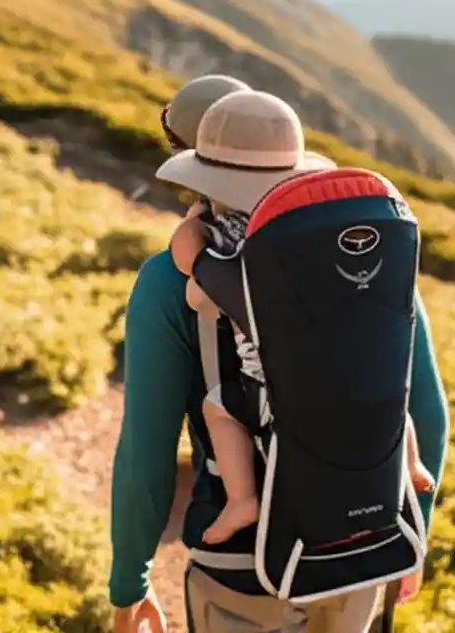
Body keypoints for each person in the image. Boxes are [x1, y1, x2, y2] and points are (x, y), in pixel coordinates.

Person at [110, 81, 449, 633]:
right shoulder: (365, 259)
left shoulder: (168, 280)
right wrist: (414, 537)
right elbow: (426, 415)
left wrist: (129, 585)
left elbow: (143, 458)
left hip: (245, 566)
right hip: (363, 548)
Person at [168, 190, 436, 546]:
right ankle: (412, 464)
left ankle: (242, 500)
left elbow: (192, 277)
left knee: (217, 407)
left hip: (292, 402)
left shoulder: (237, 265)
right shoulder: (327, 254)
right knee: (389, 399)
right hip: (365, 388)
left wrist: (194, 224)